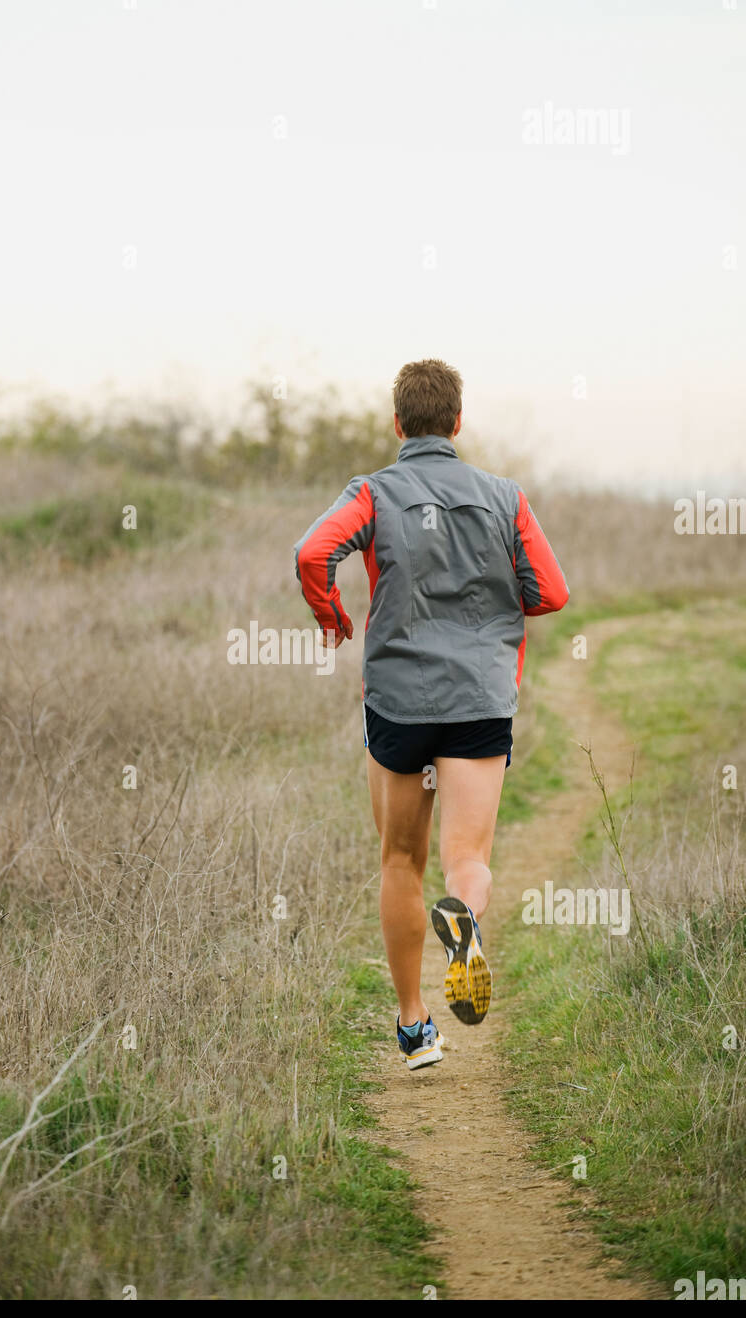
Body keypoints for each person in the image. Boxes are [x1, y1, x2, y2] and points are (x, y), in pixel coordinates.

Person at [293, 359, 569, 1069]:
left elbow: (314, 551)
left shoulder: (373, 492)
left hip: (398, 702)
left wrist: (333, 616)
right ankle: (465, 920)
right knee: (467, 857)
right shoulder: (504, 497)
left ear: (396, 425)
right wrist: (496, 608)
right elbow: (552, 593)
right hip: (478, 698)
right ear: (455, 422)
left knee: (399, 859)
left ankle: (415, 1026)